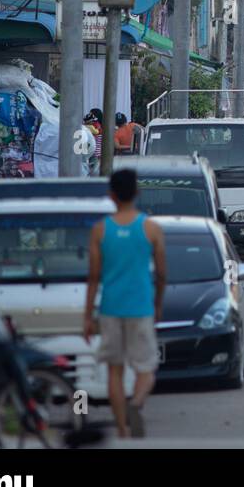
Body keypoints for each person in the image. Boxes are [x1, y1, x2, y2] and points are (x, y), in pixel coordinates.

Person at [83, 168, 167, 439]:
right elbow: (162, 274)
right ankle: (137, 402)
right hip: (141, 307)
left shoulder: (100, 230)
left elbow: (93, 277)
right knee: (146, 369)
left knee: (114, 372)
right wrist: (158, 304)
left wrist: (87, 316)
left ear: (111, 195)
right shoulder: (151, 228)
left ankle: (121, 429)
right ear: (137, 193)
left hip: (110, 309)